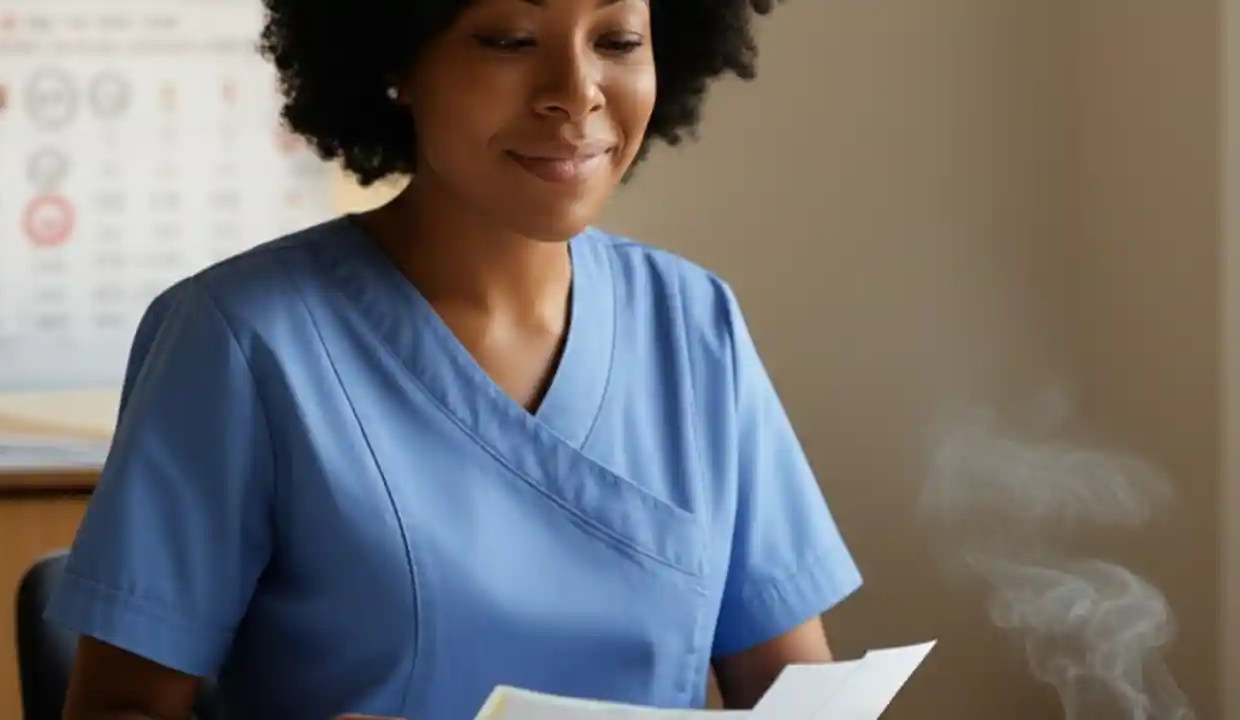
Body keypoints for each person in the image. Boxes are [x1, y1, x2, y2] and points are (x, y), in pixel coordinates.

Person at [47, 0, 863, 718]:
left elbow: (794, 696)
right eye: (510, 38)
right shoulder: (241, 340)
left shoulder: (694, 326)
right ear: (398, 60)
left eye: (616, 39)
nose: (575, 92)